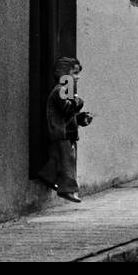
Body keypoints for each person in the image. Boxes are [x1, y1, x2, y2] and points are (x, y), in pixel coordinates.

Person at [37, 56, 93, 203]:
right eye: (74, 73)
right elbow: (67, 108)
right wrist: (78, 102)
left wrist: (81, 118)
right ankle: (67, 190)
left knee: (59, 160)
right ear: (65, 74)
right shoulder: (61, 90)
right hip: (61, 133)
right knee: (67, 161)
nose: (78, 77)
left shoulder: (64, 90)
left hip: (65, 133)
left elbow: (68, 115)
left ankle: (47, 176)